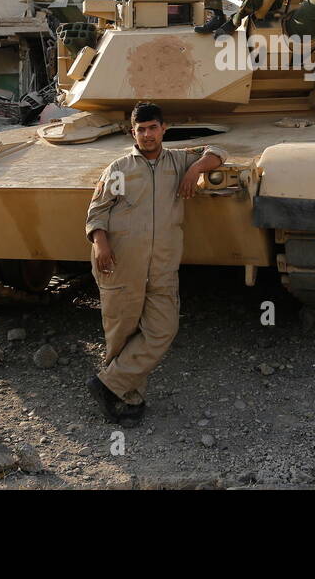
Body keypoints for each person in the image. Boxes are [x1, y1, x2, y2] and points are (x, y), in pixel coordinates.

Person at [84, 102, 227, 425]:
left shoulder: (178, 162)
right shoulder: (119, 168)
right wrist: (100, 242)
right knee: (122, 333)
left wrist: (196, 169)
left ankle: (107, 385)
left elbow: (218, 149)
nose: (147, 134)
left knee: (163, 328)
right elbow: (98, 210)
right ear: (132, 132)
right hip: (122, 260)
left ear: (164, 129)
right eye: (141, 129)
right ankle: (129, 400)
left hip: (162, 262)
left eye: (153, 128)